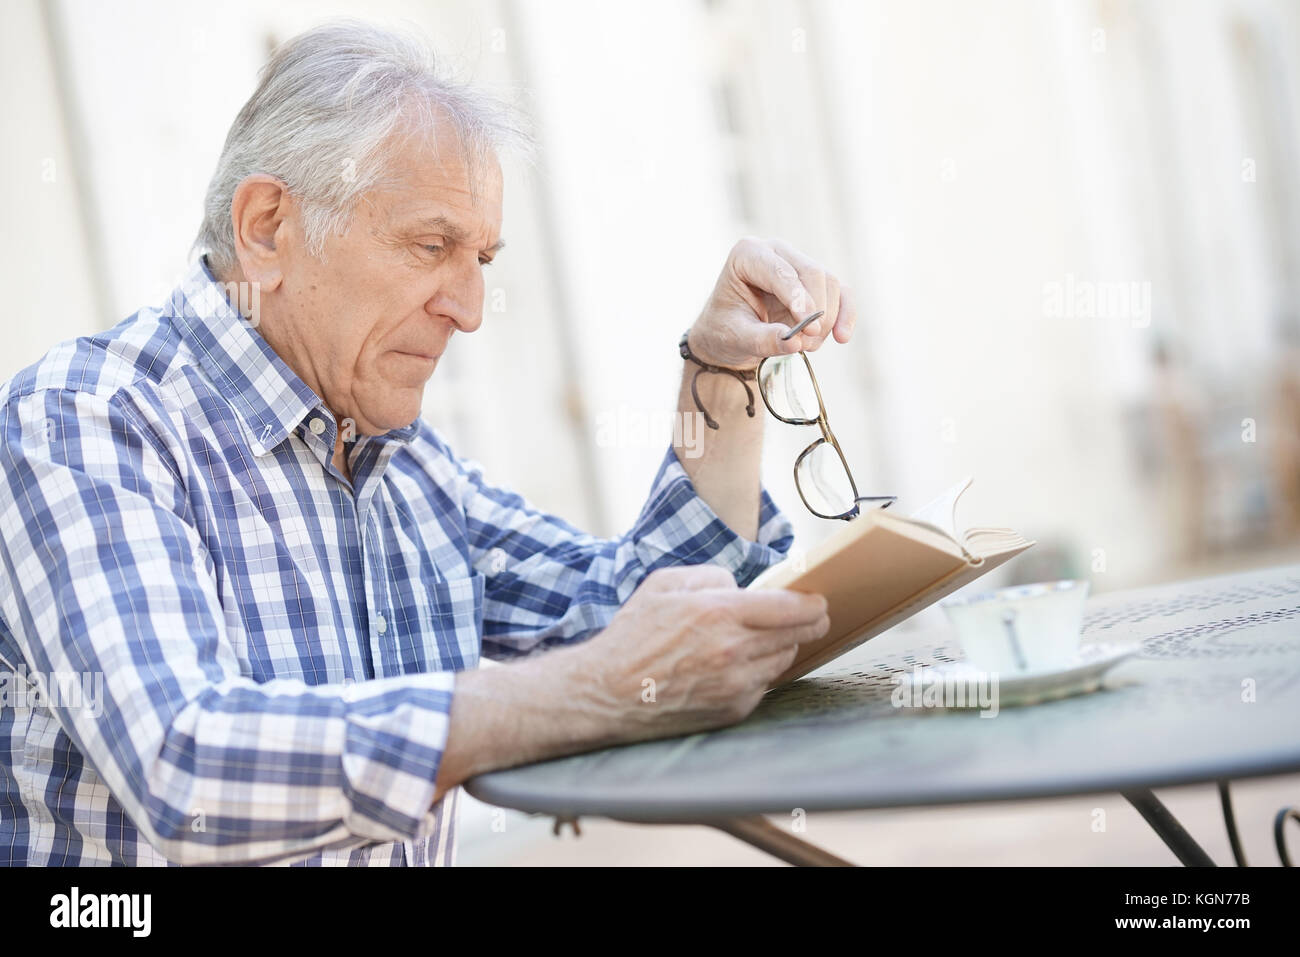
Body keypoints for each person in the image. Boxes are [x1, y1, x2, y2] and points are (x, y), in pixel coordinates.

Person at [0, 21, 852, 866]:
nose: (470, 309)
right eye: (432, 245)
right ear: (265, 227)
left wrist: (721, 366)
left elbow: (634, 617)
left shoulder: (405, 464)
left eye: (481, 257)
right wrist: (591, 688)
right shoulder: (84, 421)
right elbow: (186, 766)